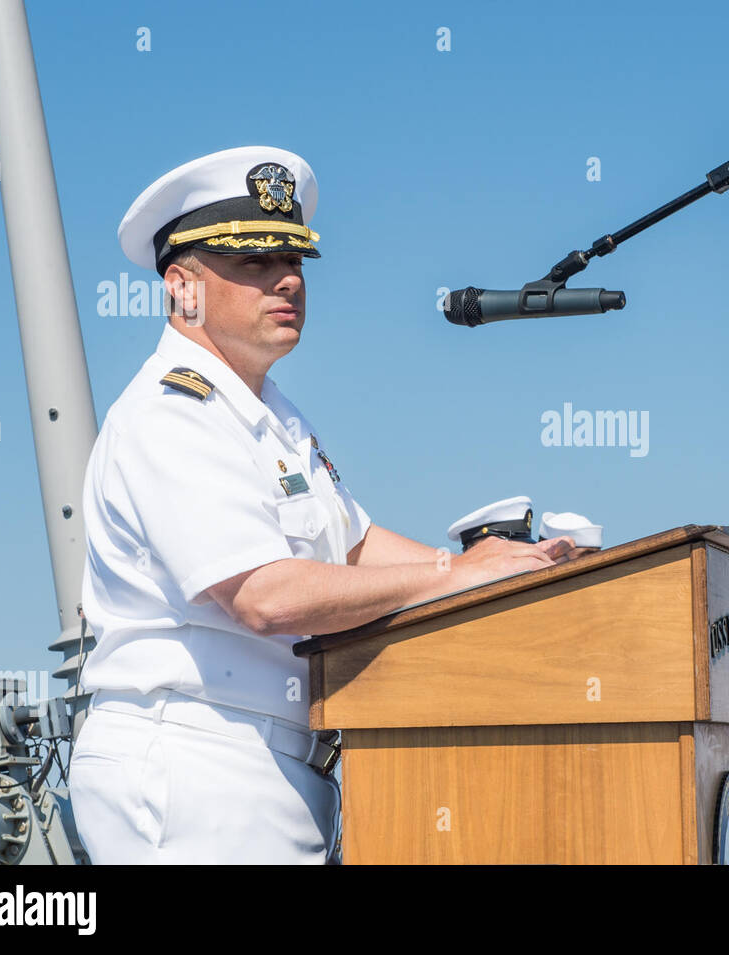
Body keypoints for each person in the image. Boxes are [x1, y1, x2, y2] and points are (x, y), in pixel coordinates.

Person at [68, 146, 571, 864]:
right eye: (253, 262)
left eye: (295, 260)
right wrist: (452, 576)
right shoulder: (170, 415)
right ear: (183, 288)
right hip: (194, 760)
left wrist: (506, 565)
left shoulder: (270, 415)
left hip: (268, 761)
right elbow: (265, 595)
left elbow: (356, 545)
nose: (288, 280)